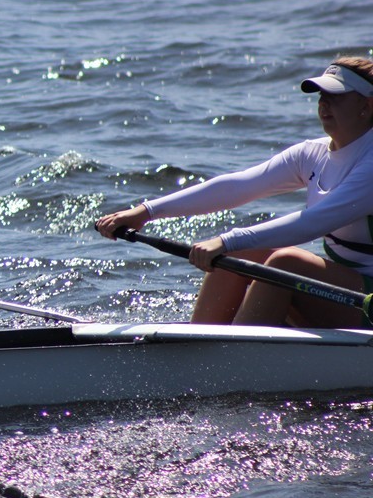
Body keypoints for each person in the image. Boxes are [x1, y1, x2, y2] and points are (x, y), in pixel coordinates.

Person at [95, 56, 373, 328]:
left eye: (336, 96)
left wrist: (227, 240)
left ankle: (227, 363)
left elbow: (313, 222)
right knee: (245, 254)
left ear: (367, 106)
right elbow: (237, 186)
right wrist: (145, 212)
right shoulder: (311, 154)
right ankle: (200, 344)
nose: (324, 103)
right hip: (350, 285)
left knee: (286, 263)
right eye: (320, 95)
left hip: (367, 300)